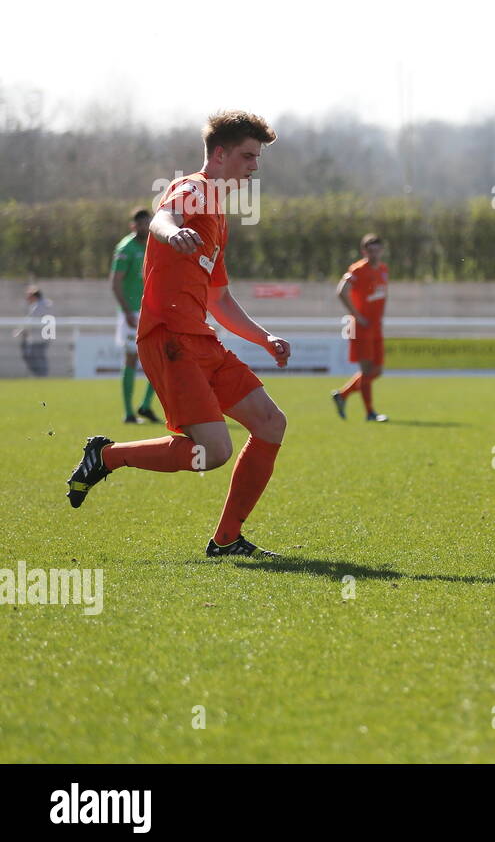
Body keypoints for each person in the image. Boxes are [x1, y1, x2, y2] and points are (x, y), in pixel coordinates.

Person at [64, 111, 289, 559]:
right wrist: (173, 233)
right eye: (248, 156)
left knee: (270, 424)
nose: (255, 166)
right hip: (169, 337)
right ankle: (107, 457)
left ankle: (226, 540)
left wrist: (263, 338)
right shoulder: (195, 188)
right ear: (220, 154)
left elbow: (220, 300)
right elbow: (162, 218)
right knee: (214, 451)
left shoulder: (218, 213)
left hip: (199, 337)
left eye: (257, 157)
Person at [332, 234, 389, 422]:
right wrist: (357, 316)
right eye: (370, 250)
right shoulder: (357, 270)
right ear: (364, 251)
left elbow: (381, 296)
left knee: (377, 370)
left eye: (377, 250)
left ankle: (343, 394)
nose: (374, 254)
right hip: (361, 327)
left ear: (382, 250)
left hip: (376, 326)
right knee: (366, 370)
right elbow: (341, 291)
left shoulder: (383, 269)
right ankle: (370, 412)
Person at [111, 209, 161, 424]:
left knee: (161, 359)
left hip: (152, 310)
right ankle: (129, 413)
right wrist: (126, 312)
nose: (144, 228)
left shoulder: (156, 245)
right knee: (132, 358)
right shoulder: (126, 248)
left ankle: (146, 405)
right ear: (134, 226)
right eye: (140, 224)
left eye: (147, 223)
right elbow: (115, 282)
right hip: (132, 311)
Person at [15, 286, 53, 376]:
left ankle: (41, 376)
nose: (27, 298)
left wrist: (19, 331)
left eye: (28, 296)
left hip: (38, 337)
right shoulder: (46, 304)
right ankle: (41, 376)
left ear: (34, 296)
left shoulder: (38, 306)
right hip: (44, 336)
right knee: (36, 356)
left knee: (35, 357)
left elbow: (31, 321)